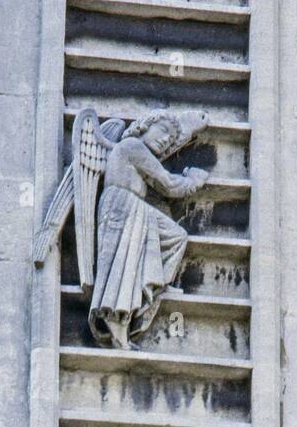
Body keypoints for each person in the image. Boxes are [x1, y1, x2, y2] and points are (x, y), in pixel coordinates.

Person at [89, 112, 209, 349]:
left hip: (135, 209)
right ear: (143, 127)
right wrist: (194, 180)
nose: (166, 140)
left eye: (171, 137)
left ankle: (153, 287)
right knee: (122, 268)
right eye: (163, 131)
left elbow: (158, 164)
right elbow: (168, 183)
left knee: (176, 237)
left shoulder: (139, 154)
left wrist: (189, 130)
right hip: (122, 208)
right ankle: (118, 327)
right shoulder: (131, 146)